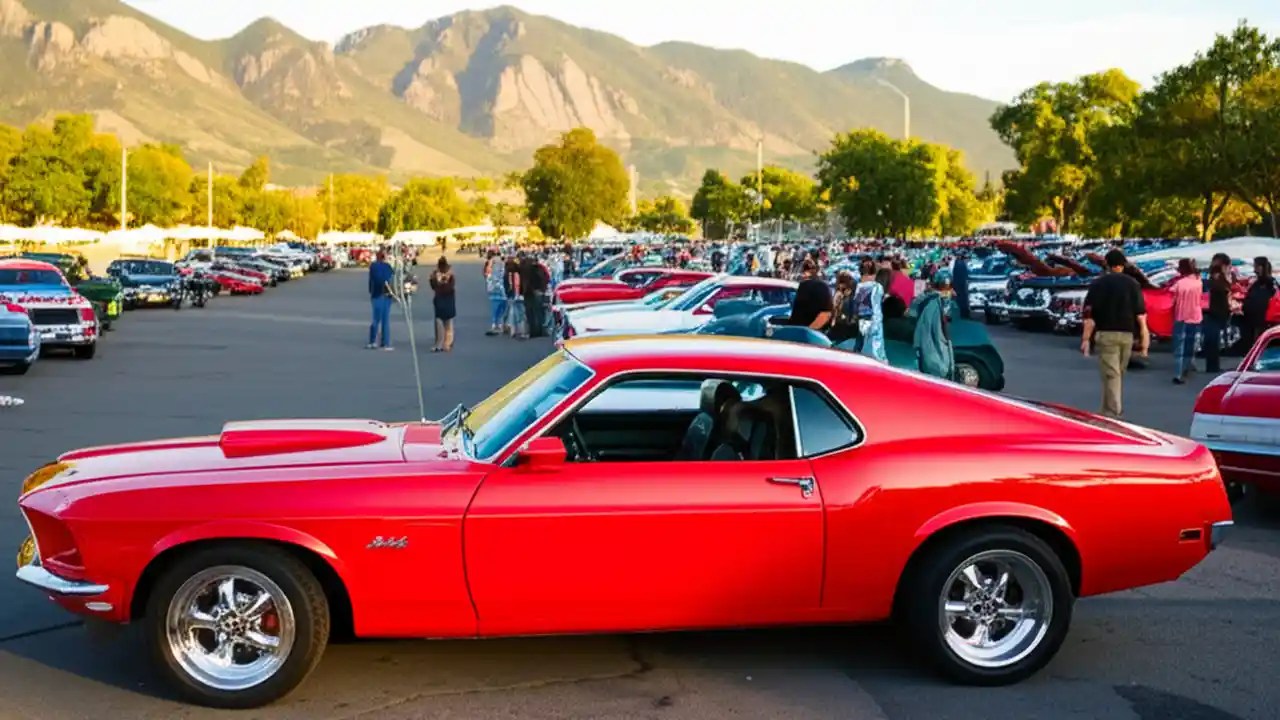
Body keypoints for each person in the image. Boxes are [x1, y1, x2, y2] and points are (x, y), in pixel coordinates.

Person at [1082, 249, 1150, 418]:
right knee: (1117, 373)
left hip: (1106, 333)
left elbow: (1089, 315)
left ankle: (1113, 412)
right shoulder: (1133, 285)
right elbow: (1141, 315)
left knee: (1112, 374)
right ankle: (1106, 410)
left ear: (1107, 264)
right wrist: (1144, 340)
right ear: (1123, 264)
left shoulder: (1099, 284)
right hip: (1127, 334)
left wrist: (1085, 339)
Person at [910, 271, 955, 380]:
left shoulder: (923, 298)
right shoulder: (944, 301)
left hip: (922, 344)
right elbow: (946, 320)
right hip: (937, 346)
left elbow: (911, 312)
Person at [1170, 258, 1203, 384]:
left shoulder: (1179, 284)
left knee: (1180, 347)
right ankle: (1188, 367)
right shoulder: (1198, 282)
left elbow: (1171, 298)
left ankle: (1178, 374)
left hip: (1181, 316)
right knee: (1190, 344)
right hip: (1195, 316)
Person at [852, 260, 887, 362]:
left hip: (862, 319)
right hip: (874, 319)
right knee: (876, 346)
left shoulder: (858, 287)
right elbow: (876, 304)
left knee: (860, 343)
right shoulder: (877, 287)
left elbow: (856, 303)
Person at [1204, 254, 1232, 372]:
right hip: (1213, 313)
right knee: (1213, 340)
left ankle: (1212, 365)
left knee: (1212, 340)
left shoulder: (1213, 280)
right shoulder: (1217, 281)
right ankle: (1212, 366)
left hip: (1213, 312)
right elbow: (1224, 290)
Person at [1242, 256, 1277, 349]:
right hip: (1256, 322)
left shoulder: (1271, 284)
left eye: (1256, 266)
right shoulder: (1256, 284)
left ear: (1262, 267)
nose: (1254, 269)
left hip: (1267, 322)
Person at [789, 259, 833, 330]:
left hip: (803, 331)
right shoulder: (824, 286)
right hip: (807, 331)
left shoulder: (805, 286)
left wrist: (808, 331)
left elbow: (825, 314)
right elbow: (826, 313)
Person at [366, 251, 394, 351]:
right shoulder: (388, 267)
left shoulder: (373, 266)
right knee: (385, 320)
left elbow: (372, 280)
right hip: (387, 294)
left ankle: (372, 341)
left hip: (376, 294)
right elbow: (391, 279)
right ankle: (385, 342)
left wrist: (371, 291)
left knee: (375, 319)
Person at [430, 257, 457, 353]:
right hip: (449, 300)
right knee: (449, 323)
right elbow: (451, 287)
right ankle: (447, 343)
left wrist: (438, 281)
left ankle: (439, 343)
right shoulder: (451, 275)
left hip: (439, 300)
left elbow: (433, 286)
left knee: (439, 323)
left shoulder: (435, 274)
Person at [521, 252, 550, 338]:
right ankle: (540, 330)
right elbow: (546, 277)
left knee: (530, 313)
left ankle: (532, 331)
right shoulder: (540, 268)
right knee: (539, 312)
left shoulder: (524, 269)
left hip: (528, 292)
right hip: (538, 291)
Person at [484, 252, 507, 336]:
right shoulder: (502, 269)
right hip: (501, 292)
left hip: (495, 292)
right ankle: (499, 325)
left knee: (496, 309)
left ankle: (496, 324)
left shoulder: (493, 271)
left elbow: (487, 277)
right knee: (501, 309)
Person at [505, 254, 526, 339]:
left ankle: (512, 330)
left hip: (510, 295)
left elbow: (505, 286)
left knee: (512, 312)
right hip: (519, 295)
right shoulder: (519, 275)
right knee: (521, 314)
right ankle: (521, 330)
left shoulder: (506, 275)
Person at [952, 252, 971, 320]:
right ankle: (963, 313)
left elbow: (965, 274)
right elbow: (956, 274)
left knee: (963, 299)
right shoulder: (958, 263)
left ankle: (964, 313)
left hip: (960, 283)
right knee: (961, 299)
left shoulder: (959, 263)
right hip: (959, 283)